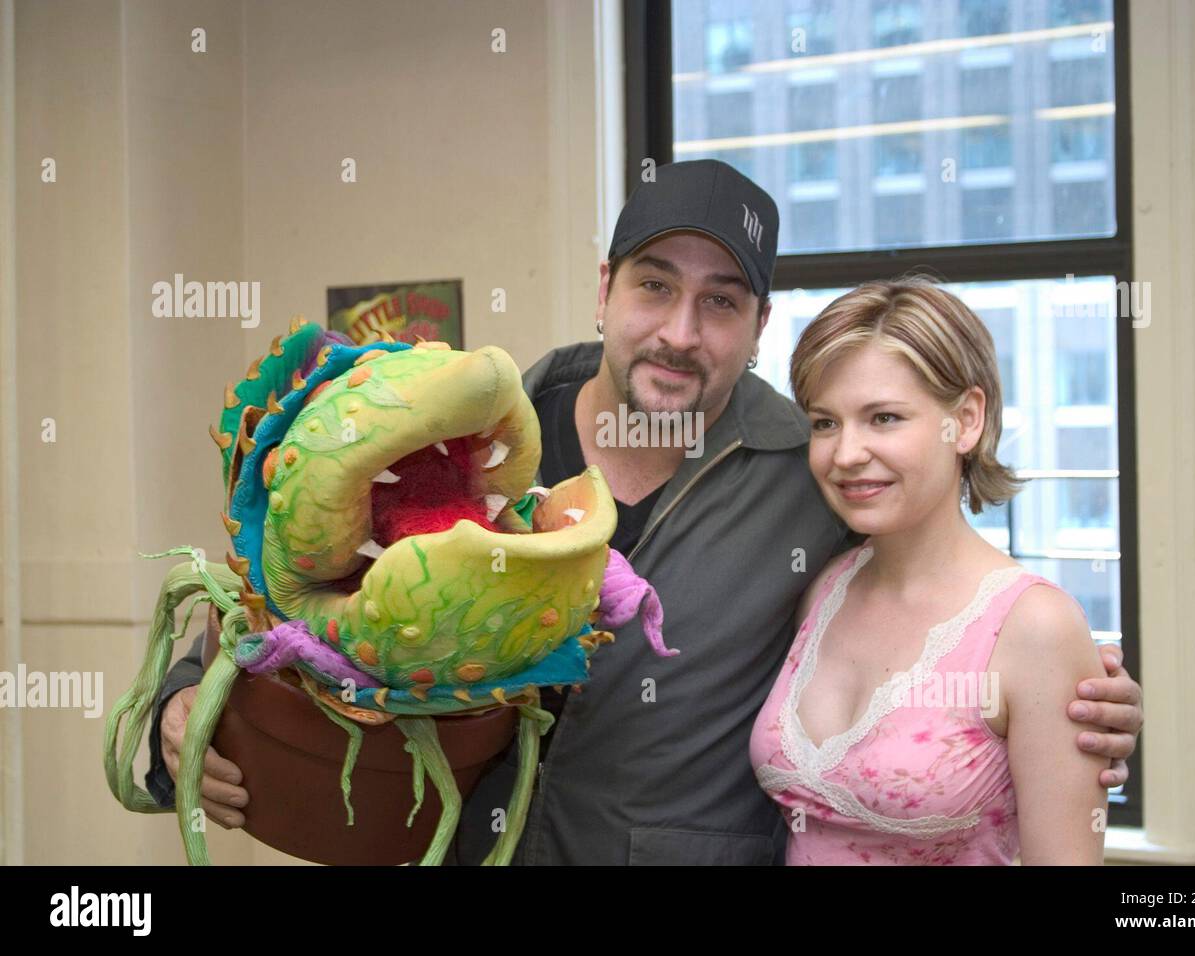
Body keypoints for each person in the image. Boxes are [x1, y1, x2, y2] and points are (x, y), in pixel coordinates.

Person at [148, 160, 1143, 865]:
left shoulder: (809, 468)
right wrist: (180, 698)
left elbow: (942, 591)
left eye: (720, 302)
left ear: (758, 327)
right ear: (603, 290)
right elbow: (285, 570)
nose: (678, 331)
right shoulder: (482, 431)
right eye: (653, 285)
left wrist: (1072, 694)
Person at [752, 279, 1110, 864]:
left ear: (966, 420)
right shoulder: (822, 588)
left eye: (884, 417)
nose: (845, 454)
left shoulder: (1035, 626)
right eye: (824, 423)